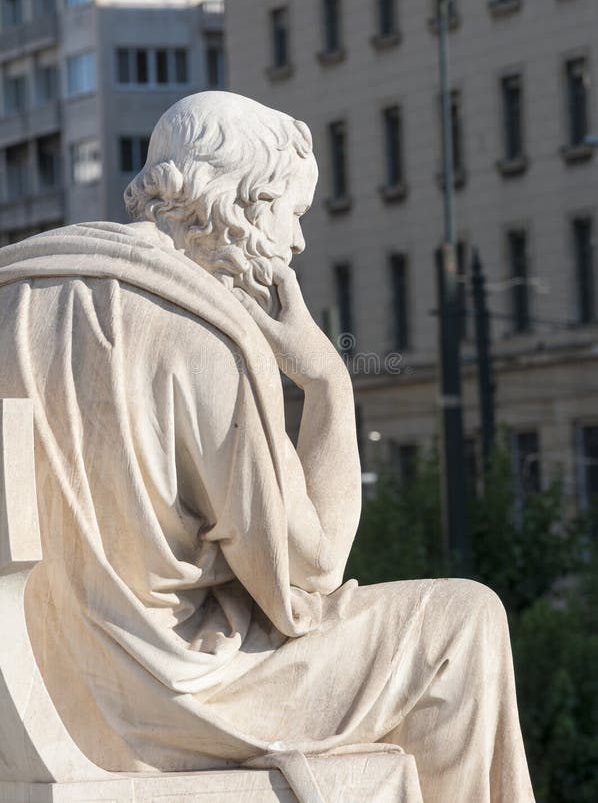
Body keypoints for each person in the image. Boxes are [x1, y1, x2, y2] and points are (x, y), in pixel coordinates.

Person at [0, 92, 534, 801]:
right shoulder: (205, 335)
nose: (300, 242)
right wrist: (327, 383)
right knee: (463, 623)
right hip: (184, 695)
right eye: (293, 211)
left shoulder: (17, 298)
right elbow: (304, 583)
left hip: (56, 688)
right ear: (245, 205)